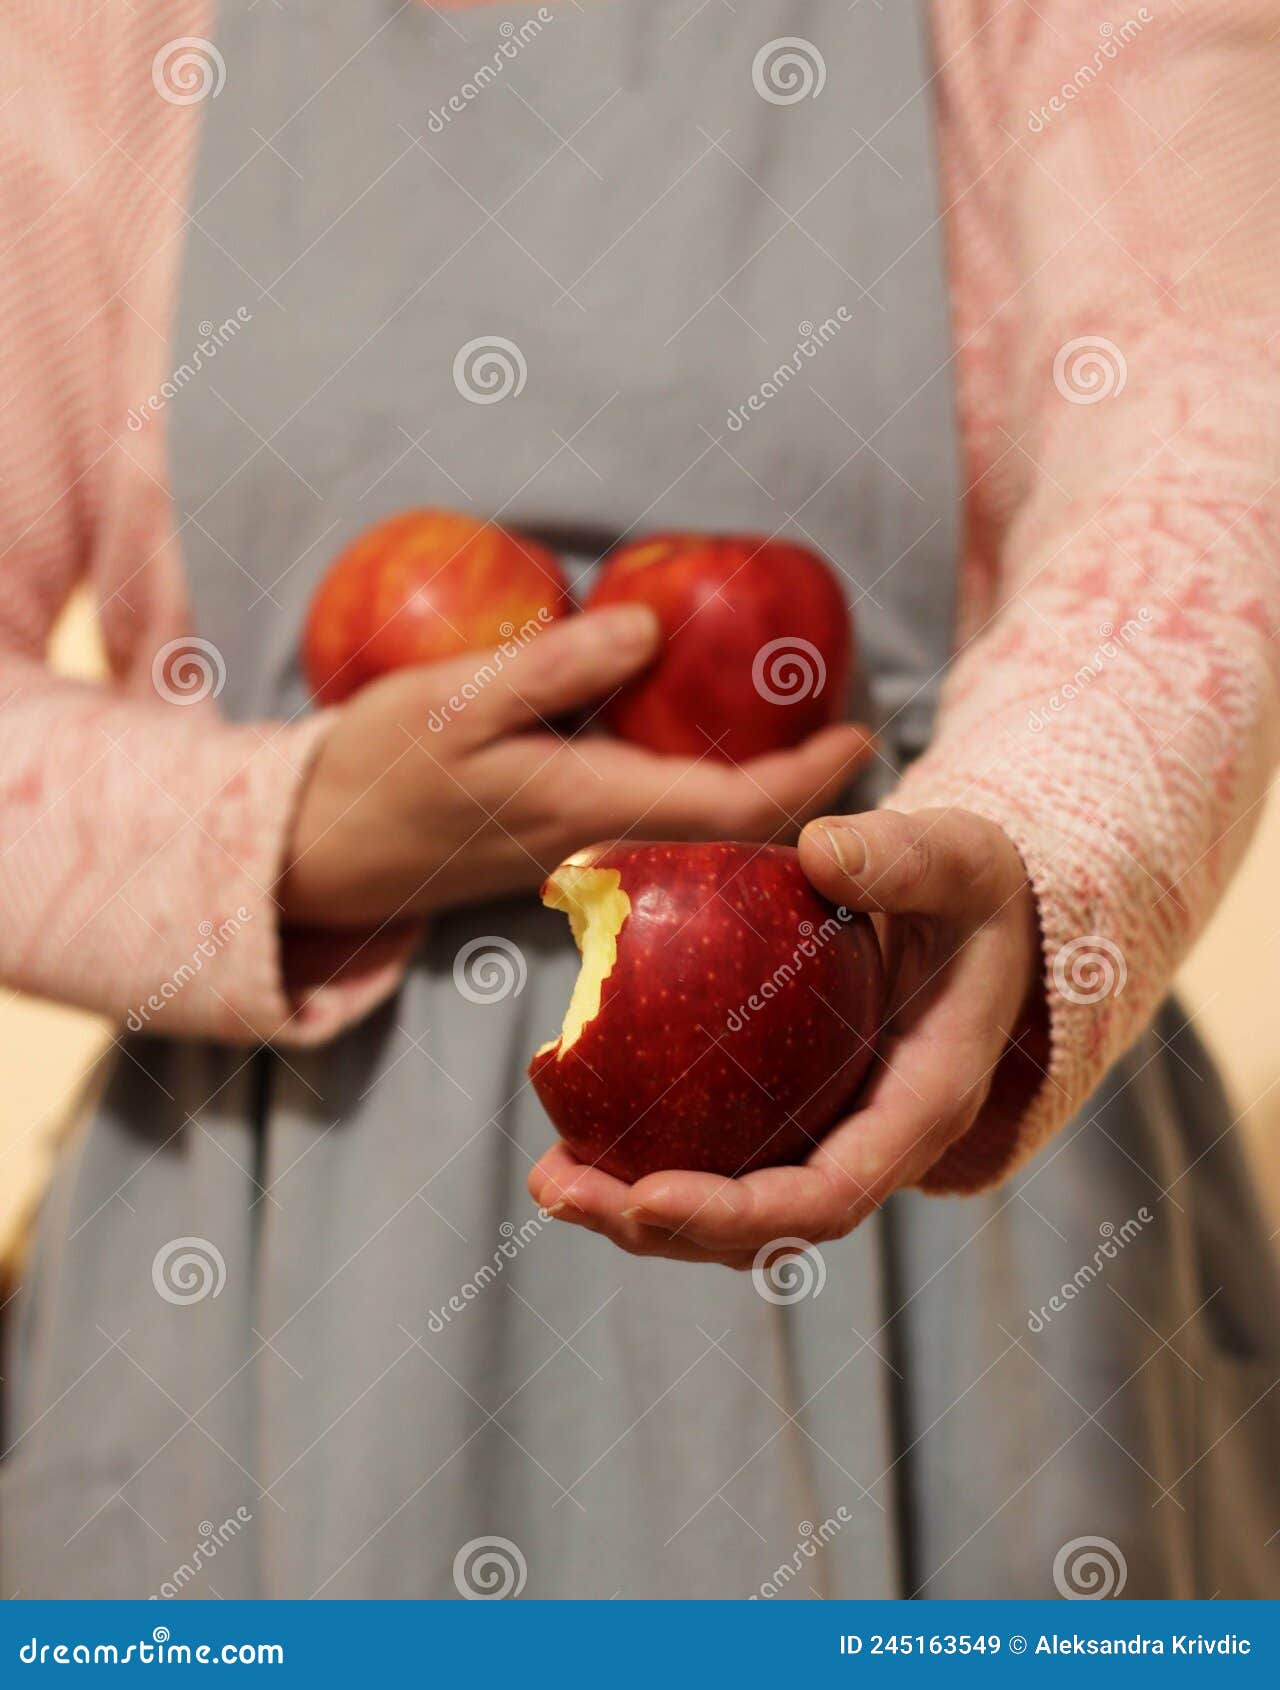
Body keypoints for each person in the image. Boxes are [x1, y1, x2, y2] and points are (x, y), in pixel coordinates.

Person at [1, 0, 1277, 1600]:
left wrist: (1033, 847)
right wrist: (290, 821)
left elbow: (1213, 437)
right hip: (279, 1266)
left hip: (926, 1106)